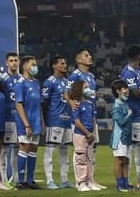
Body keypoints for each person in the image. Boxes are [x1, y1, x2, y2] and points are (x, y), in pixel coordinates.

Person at [68, 49, 104, 191]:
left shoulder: (91, 76)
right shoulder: (75, 75)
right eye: (86, 55)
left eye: (89, 55)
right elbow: (67, 92)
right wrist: (71, 102)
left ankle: (90, 180)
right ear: (78, 60)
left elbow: (91, 96)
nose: (90, 57)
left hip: (90, 115)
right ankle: (80, 181)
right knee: (80, 152)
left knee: (91, 150)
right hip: (79, 118)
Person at [120, 46, 140, 189]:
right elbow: (133, 93)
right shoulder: (127, 73)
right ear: (138, 56)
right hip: (133, 117)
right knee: (130, 150)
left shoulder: (137, 72)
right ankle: (125, 181)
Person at [42, 55, 74, 189]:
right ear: (54, 66)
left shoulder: (67, 82)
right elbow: (44, 103)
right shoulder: (49, 82)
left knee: (64, 151)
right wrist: (45, 122)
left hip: (67, 120)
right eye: (62, 63)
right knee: (50, 150)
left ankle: (64, 179)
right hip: (54, 120)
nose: (65, 65)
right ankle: (49, 180)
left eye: (65, 63)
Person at [13, 55, 43, 189]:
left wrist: (42, 122)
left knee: (33, 149)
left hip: (36, 121)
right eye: (33, 64)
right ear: (25, 67)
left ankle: (30, 180)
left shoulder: (36, 83)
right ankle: (20, 181)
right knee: (24, 147)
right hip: (25, 122)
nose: (35, 67)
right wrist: (27, 124)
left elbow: (39, 105)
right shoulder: (20, 83)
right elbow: (19, 105)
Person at [70, 79, 98, 193]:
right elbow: (76, 121)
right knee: (81, 158)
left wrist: (93, 133)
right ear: (79, 89)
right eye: (85, 87)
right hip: (80, 135)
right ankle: (81, 183)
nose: (88, 89)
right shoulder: (76, 104)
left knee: (90, 158)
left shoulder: (90, 103)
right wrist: (87, 133)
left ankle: (89, 181)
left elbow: (92, 119)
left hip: (90, 134)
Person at [0, 52, 21, 186]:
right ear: (7, 63)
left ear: (19, 63)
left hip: (19, 120)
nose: (13, 63)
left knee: (17, 149)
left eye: (15, 60)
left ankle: (16, 178)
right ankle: (3, 180)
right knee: (4, 149)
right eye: (11, 60)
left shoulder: (22, 79)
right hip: (6, 119)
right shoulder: (2, 79)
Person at [109, 80, 132, 193]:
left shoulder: (125, 104)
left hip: (127, 137)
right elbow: (121, 122)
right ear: (118, 91)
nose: (127, 90)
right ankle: (119, 185)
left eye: (127, 88)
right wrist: (129, 115)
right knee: (119, 160)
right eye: (124, 88)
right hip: (119, 138)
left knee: (126, 160)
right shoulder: (116, 105)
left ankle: (126, 183)